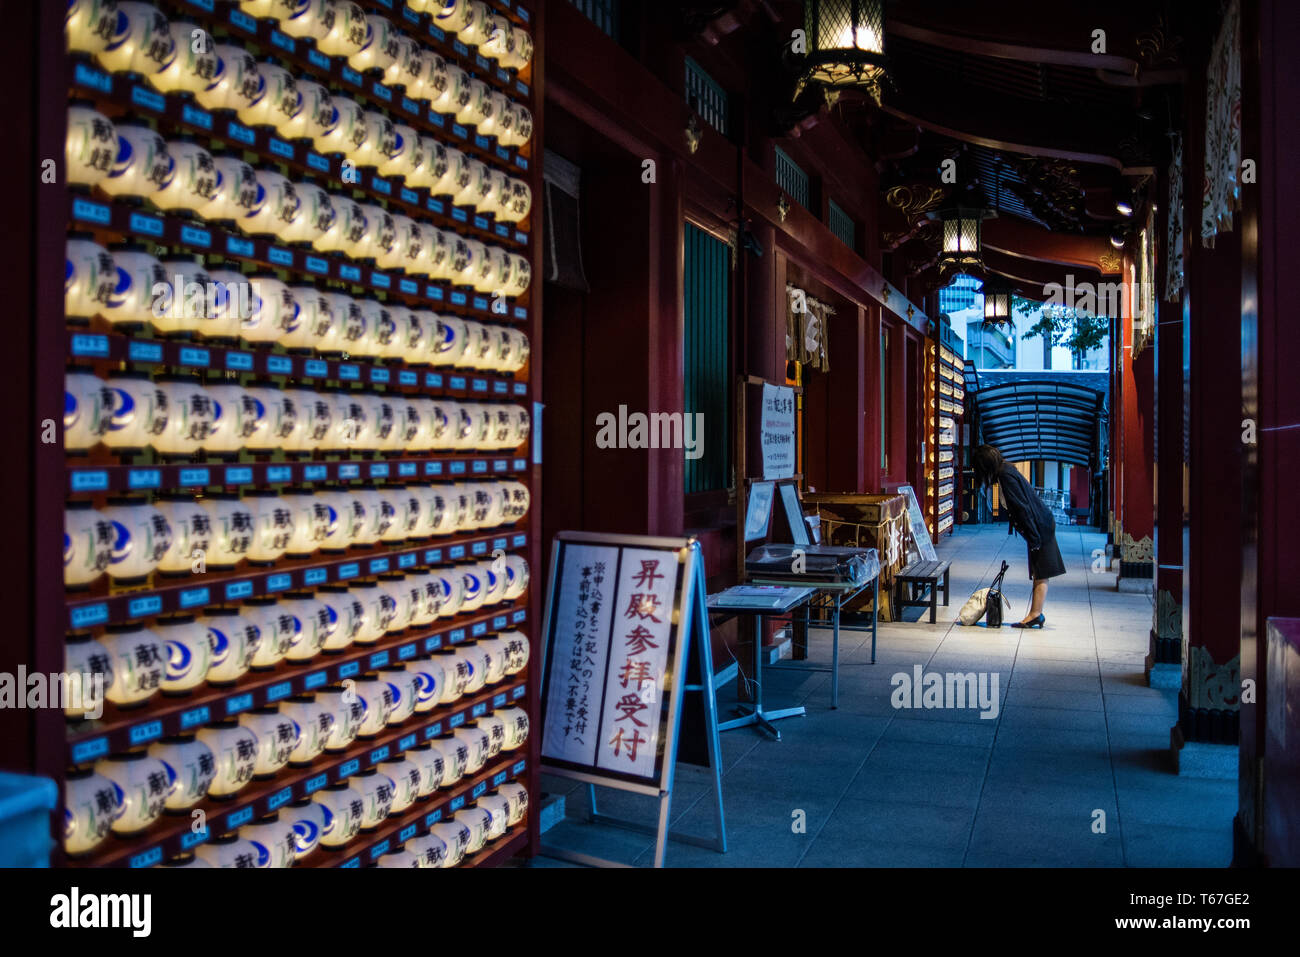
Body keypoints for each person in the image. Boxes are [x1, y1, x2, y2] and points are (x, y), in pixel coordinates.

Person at [970, 445, 1066, 627]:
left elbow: (1023, 508)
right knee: (1040, 571)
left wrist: (1034, 537)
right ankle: (1035, 613)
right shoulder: (1006, 470)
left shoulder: (1005, 475)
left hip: (1040, 526)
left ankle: (1036, 614)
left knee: (1041, 571)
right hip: (1041, 524)